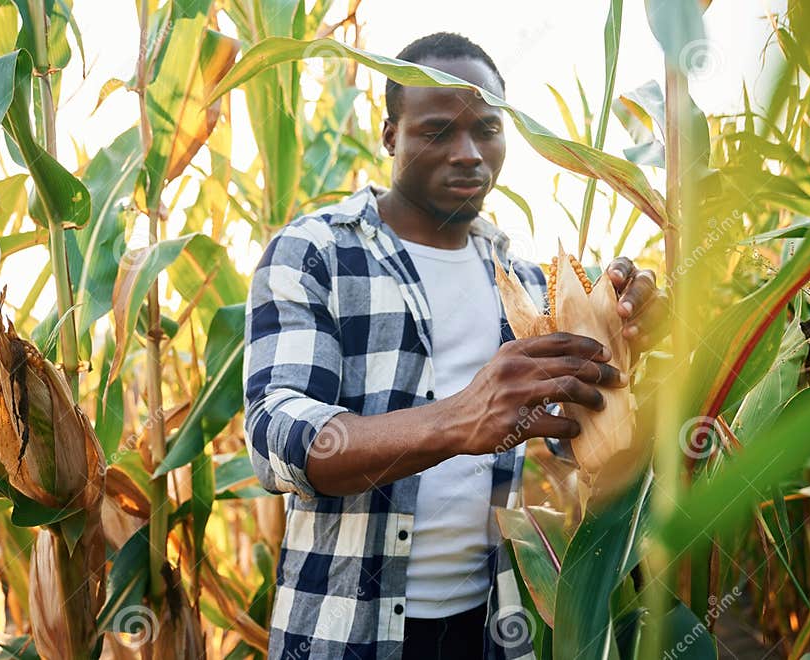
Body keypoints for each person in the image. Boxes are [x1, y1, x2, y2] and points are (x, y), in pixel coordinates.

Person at [243, 31, 668, 660]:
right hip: (346, 629)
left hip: (496, 624)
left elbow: (571, 446)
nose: (468, 154)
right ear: (391, 135)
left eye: (488, 130)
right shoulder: (316, 252)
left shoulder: (523, 282)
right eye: (438, 131)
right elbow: (275, 434)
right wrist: (460, 418)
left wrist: (627, 350)